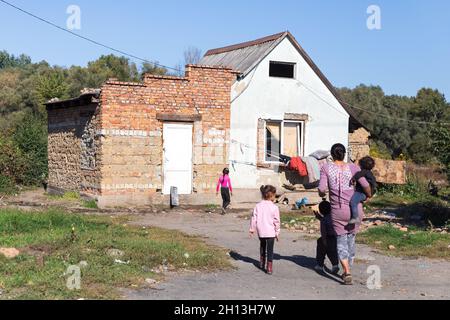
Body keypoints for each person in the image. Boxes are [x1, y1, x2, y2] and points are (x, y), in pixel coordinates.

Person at [318, 144, 371, 285]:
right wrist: (369, 195)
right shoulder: (353, 167)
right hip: (355, 211)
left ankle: (346, 271)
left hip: (338, 212)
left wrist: (323, 192)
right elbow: (365, 185)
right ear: (344, 154)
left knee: (341, 241)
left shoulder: (326, 168)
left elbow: (322, 189)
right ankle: (349, 266)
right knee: (351, 239)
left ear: (332, 154)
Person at [249, 185, 281, 275]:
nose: (275, 197)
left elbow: (253, 218)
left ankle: (262, 262)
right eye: (274, 195)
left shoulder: (258, 206)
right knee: (270, 249)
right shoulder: (275, 207)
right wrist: (277, 232)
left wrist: (252, 229)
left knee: (262, 246)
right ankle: (269, 267)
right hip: (271, 232)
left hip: (261, 231)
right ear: (270, 195)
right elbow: (277, 221)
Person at [349, 156, 377, 225]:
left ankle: (355, 217)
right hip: (367, 192)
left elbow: (357, 175)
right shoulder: (369, 173)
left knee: (353, 201)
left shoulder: (364, 172)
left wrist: (353, 179)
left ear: (361, 165)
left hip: (363, 193)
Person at [315, 199, 340, 274]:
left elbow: (323, 231)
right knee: (333, 252)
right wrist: (319, 217)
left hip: (327, 238)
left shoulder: (324, 220)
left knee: (321, 251)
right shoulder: (333, 217)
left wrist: (324, 240)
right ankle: (335, 265)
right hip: (335, 237)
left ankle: (320, 265)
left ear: (321, 211)